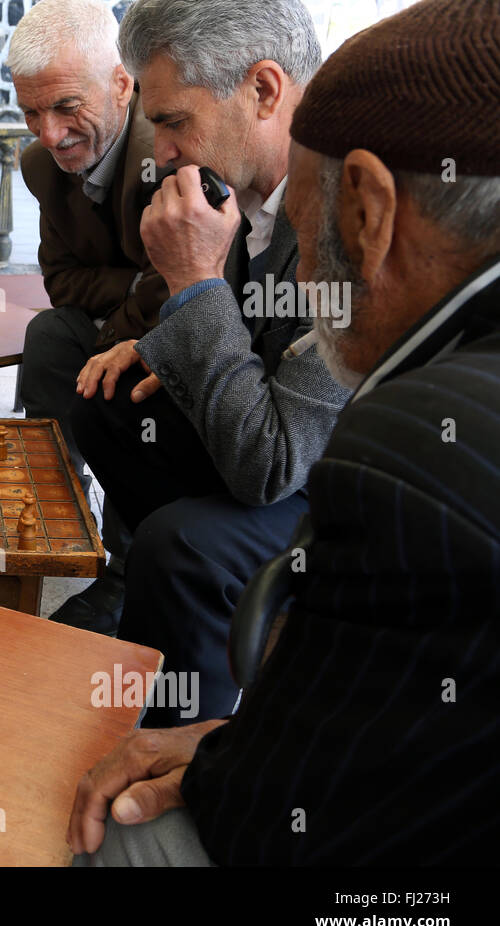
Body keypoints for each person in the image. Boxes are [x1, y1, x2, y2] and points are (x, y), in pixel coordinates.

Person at [70, 0, 500, 865]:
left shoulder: (410, 453)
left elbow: (288, 805)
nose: (299, 272)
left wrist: (216, 754)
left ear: (371, 212)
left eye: (306, 232)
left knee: (116, 829)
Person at [69, 0, 349, 724]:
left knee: (183, 544)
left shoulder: (346, 210)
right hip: (276, 445)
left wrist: (194, 285)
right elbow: (254, 345)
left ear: (263, 90)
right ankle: (170, 612)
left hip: (346, 489)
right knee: (109, 397)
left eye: (171, 121)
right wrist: (166, 337)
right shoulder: (251, 188)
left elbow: (273, 463)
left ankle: (183, 740)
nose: (160, 153)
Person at [6, 0, 169, 633]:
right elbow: (60, 281)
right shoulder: (42, 164)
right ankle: (60, 514)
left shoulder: (171, 150)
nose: (49, 133)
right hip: (120, 315)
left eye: (67, 106)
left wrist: (135, 303)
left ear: (122, 85)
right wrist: (135, 286)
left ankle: (127, 571)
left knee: (135, 381)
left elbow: (178, 287)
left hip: (188, 331)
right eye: (30, 113)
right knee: (48, 336)